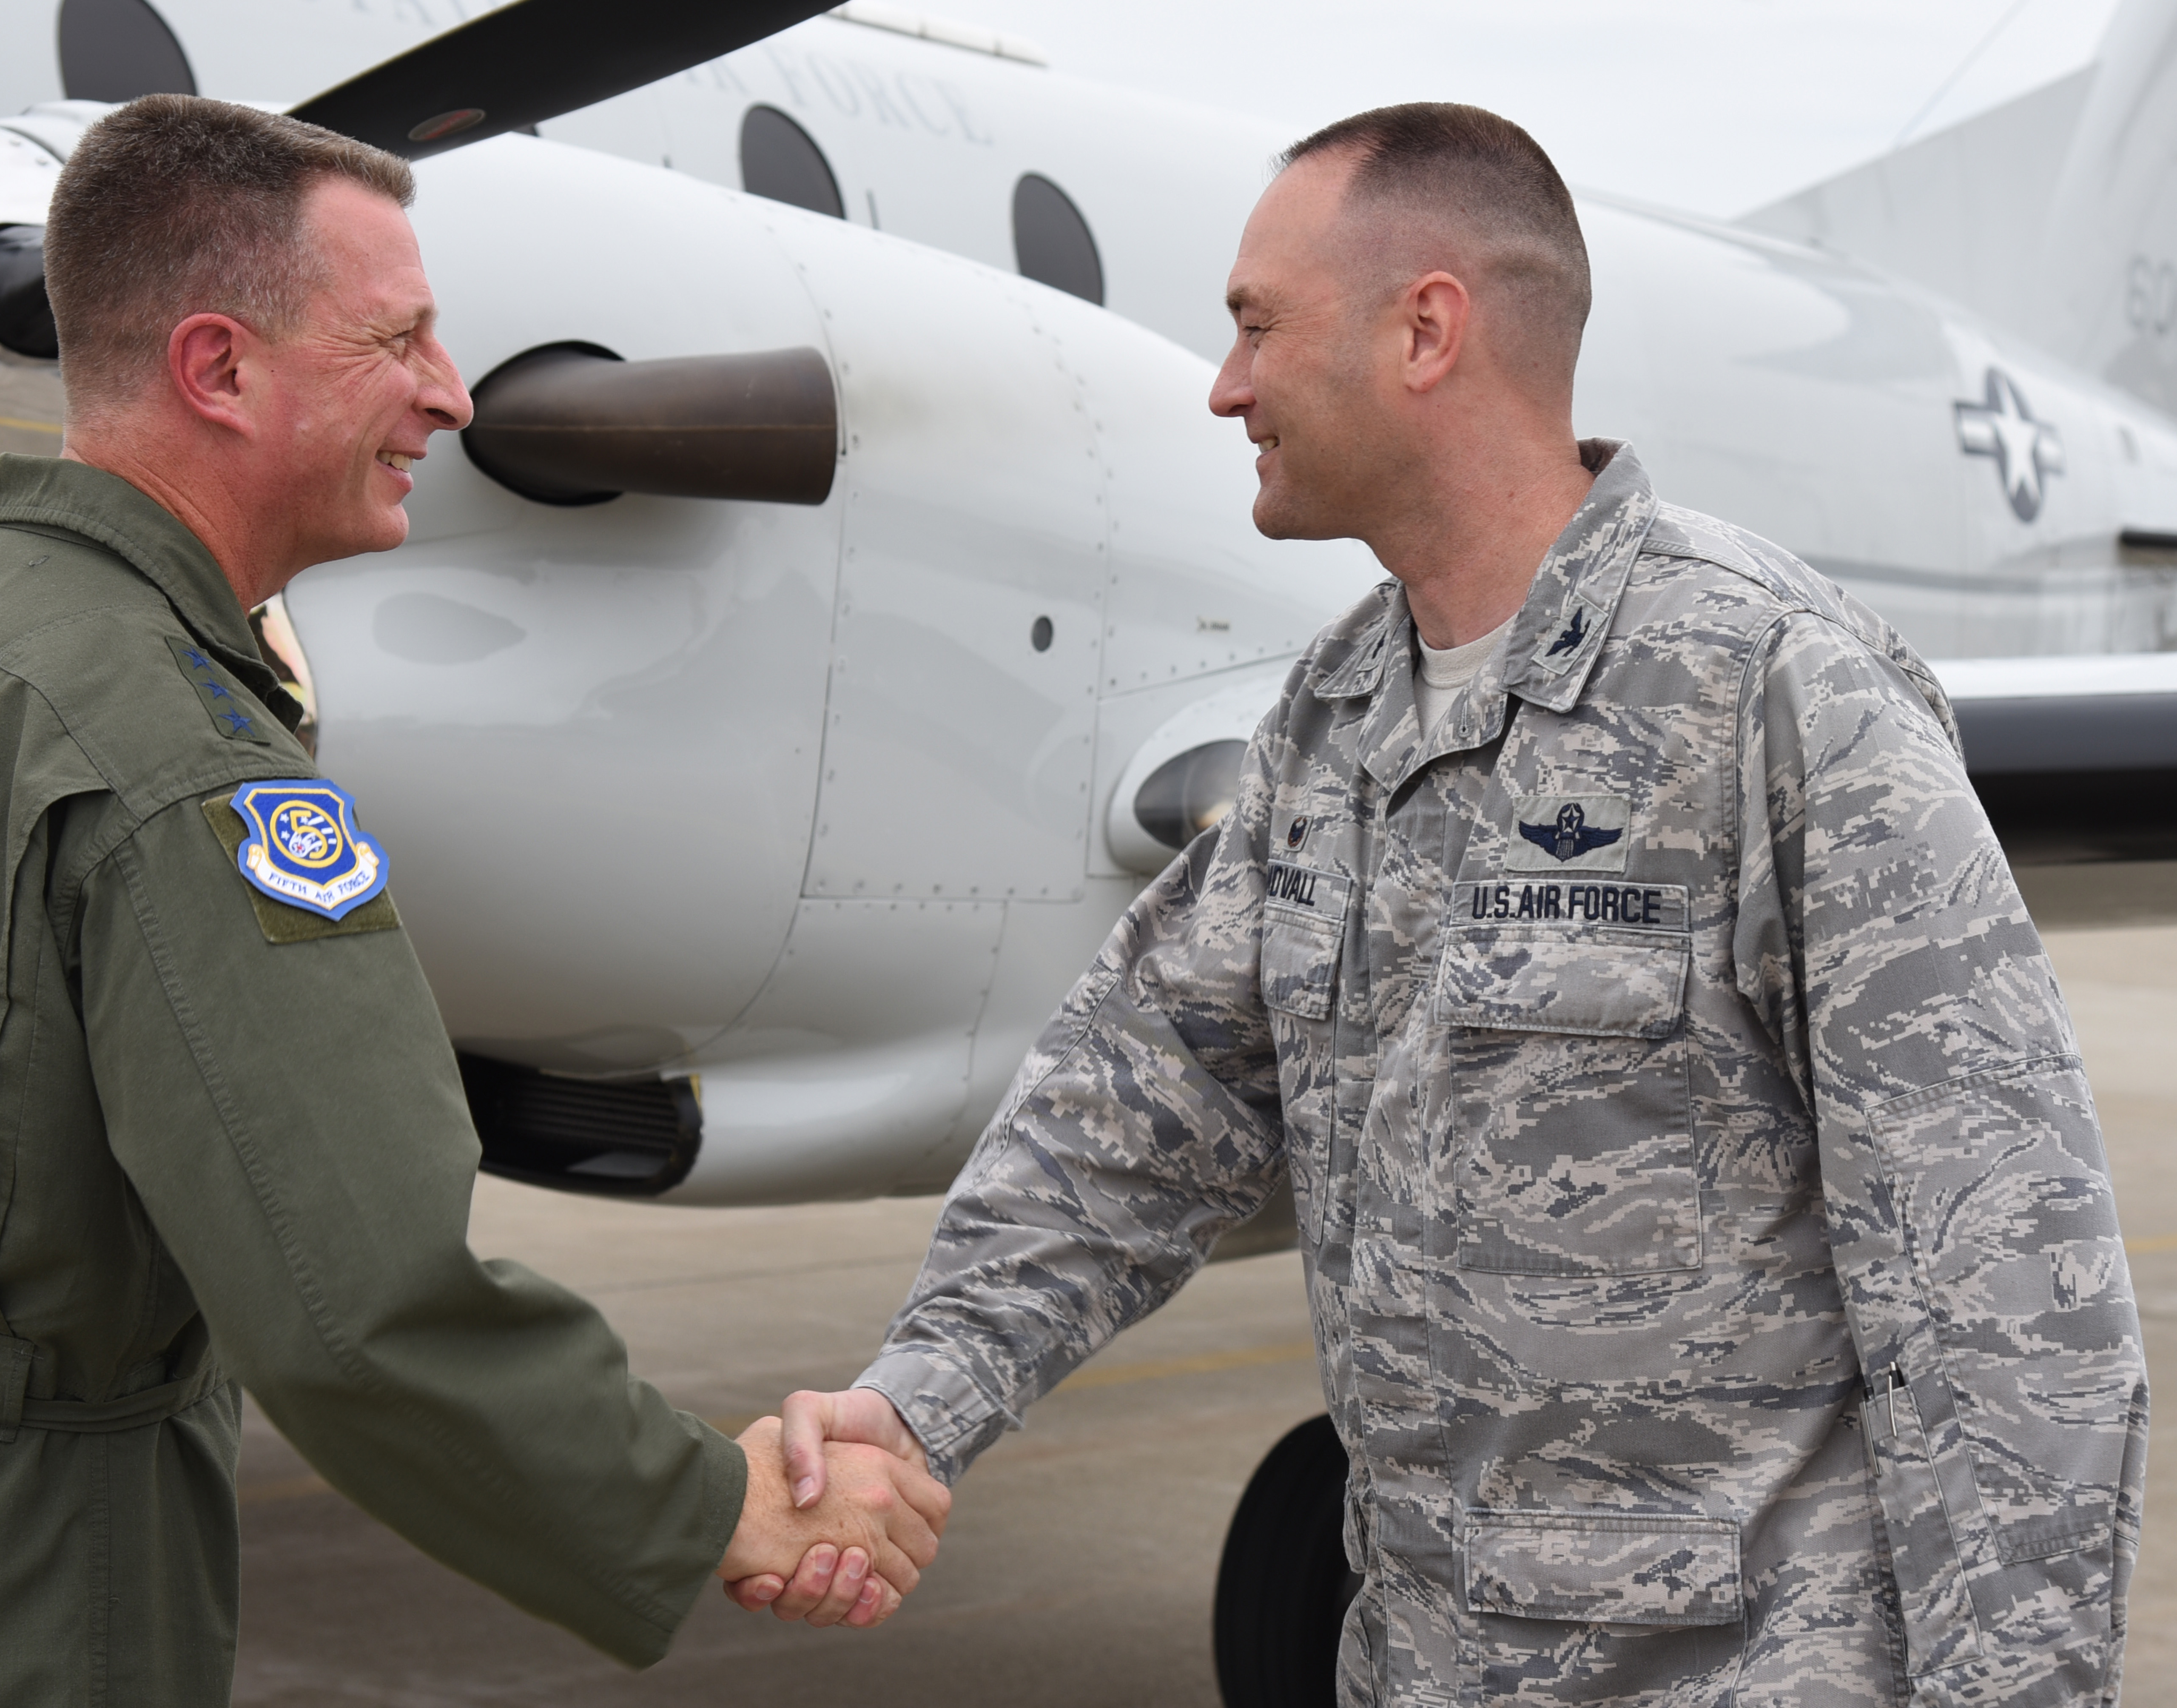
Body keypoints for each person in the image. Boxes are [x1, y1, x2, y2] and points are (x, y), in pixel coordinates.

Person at [750, 103, 2147, 1702]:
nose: (1225, 385)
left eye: (1256, 327)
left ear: (1426, 330)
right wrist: (918, 1402)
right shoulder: (1335, 725)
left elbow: (2006, 1296)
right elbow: (1138, 1108)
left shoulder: (1774, 689)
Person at [0, 94, 942, 1704]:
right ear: (219, 370)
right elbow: (356, 1305)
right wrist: (711, 1505)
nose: (452, 397)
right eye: (396, 341)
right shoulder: (185, 758)